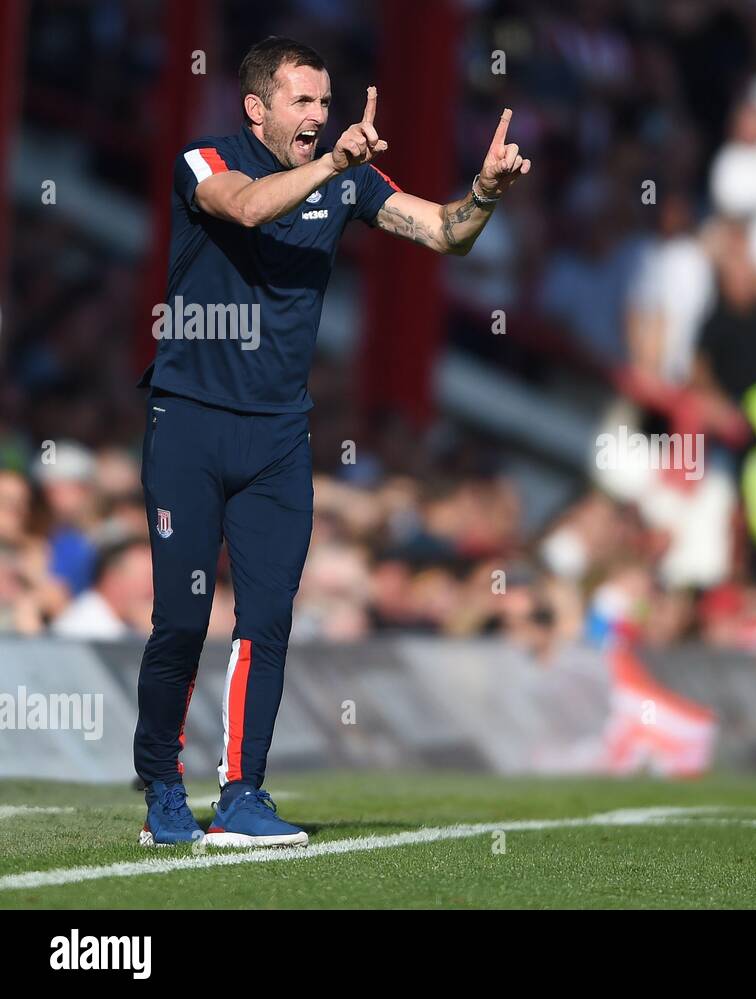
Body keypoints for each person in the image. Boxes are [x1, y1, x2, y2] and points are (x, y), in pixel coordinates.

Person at [134, 36, 530, 848]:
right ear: (258, 108)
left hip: (280, 434)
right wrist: (333, 165)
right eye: (302, 102)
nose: (319, 116)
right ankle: (162, 786)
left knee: (269, 616)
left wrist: (483, 191)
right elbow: (246, 207)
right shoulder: (203, 158)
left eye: (324, 102)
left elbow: (444, 232)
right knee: (181, 617)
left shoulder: (345, 177)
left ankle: (241, 793)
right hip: (189, 419)